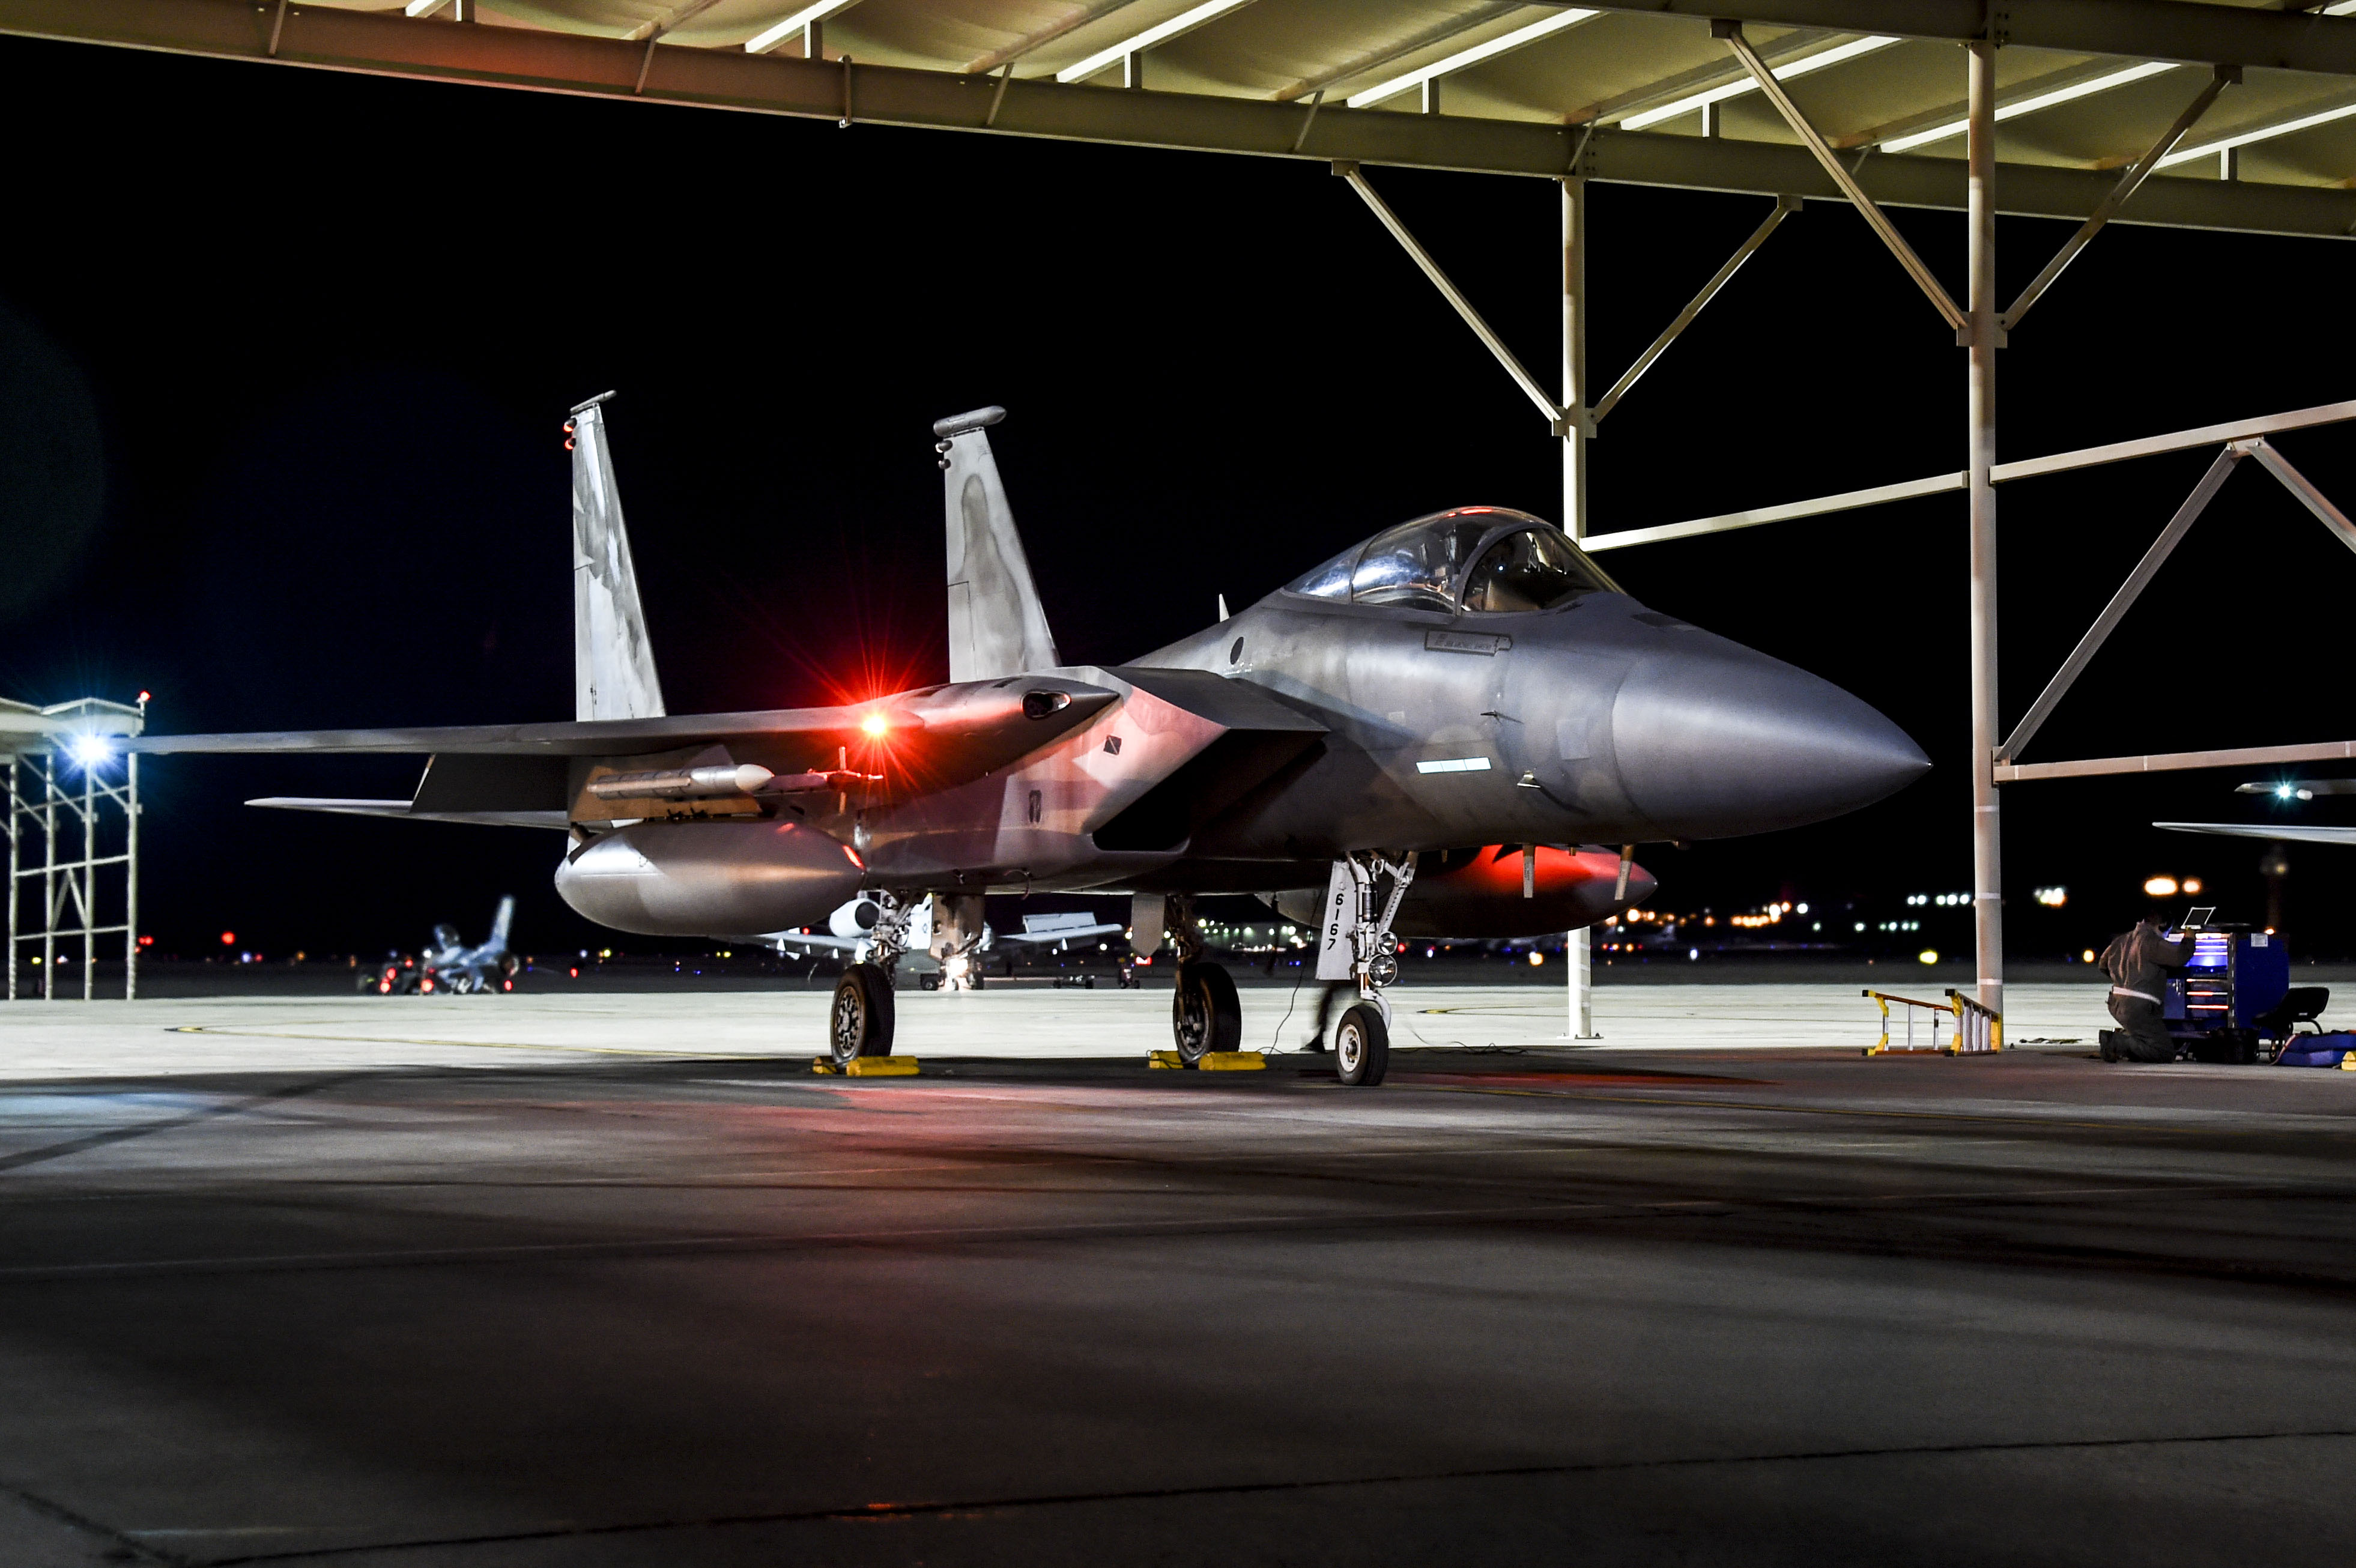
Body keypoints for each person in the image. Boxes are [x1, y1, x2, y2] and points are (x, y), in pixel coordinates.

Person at [2098, 918, 2199, 1063]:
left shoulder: (2122, 939)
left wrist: (2123, 980)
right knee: (2163, 1051)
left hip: (2116, 1002)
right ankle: (2116, 1043)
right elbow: (2179, 957)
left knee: (2147, 1038)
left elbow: (2103, 964)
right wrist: (2189, 940)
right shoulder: (2152, 941)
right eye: (2168, 933)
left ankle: (2126, 1044)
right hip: (2138, 1006)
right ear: (2162, 925)